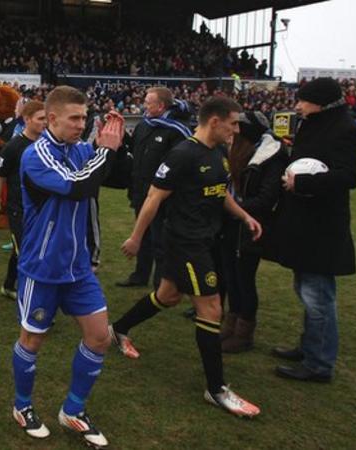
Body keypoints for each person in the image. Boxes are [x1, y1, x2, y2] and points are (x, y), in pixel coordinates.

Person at [113, 96, 262, 418]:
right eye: (233, 123)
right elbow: (154, 197)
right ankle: (217, 388)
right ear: (215, 121)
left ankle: (119, 328)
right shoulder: (182, 154)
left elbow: (219, 194)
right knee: (210, 308)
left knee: (167, 296)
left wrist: (244, 216)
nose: (237, 129)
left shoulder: (219, 154)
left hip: (205, 239)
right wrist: (137, 238)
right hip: (184, 242)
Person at [10, 86, 125, 448]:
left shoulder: (79, 149)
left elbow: (112, 176)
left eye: (85, 117)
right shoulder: (35, 155)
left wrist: (119, 142)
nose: (82, 124)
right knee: (32, 340)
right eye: (74, 118)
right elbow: (78, 186)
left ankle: (73, 410)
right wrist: (105, 150)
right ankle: (22, 406)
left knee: (100, 336)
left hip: (77, 269)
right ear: (53, 118)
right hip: (42, 267)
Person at [272, 77, 356, 382]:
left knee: (318, 294)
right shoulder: (313, 123)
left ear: (320, 101)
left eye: (302, 100)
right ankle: (309, 346)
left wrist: (304, 182)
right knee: (305, 287)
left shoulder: (345, 130)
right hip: (304, 220)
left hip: (322, 225)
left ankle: (319, 363)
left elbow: (352, 175)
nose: (297, 105)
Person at [219, 111, 287, 353]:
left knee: (244, 278)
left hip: (251, 227)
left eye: (239, 126)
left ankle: (244, 333)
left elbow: (266, 198)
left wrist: (232, 208)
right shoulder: (238, 152)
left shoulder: (271, 156)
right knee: (230, 275)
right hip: (231, 225)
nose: (234, 130)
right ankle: (231, 324)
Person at [118, 87, 192, 288]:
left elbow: (181, 164)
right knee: (142, 234)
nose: (144, 105)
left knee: (161, 239)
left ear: (161, 106)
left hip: (163, 195)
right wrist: (121, 133)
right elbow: (134, 149)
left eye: (148, 102)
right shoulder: (144, 125)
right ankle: (140, 275)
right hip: (141, 191)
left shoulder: (177, 130)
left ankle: (161, 281)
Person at [0, 100, 46, 299]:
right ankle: (31, 302)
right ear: (27, 119)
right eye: (40, 119)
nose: (45, 122)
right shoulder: (13, 147)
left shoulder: (47, 143)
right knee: (28, 255)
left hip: (42, 209)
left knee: (24, 250)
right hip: (18, 210)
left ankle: (8, 285)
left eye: (46, 118)